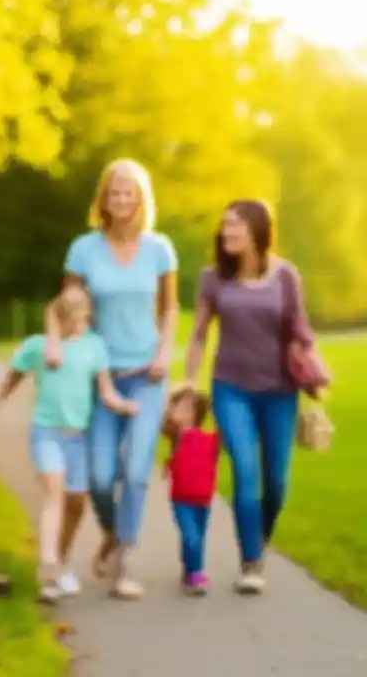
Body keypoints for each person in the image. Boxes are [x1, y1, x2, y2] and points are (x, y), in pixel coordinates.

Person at [45, 158, 178, 600]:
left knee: (136, 470)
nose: (121, 200)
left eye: (129, 193)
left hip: (147, 375)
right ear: (103, 198)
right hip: (101, 377)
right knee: (101, 478)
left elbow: (170, 308)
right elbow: (65, 309)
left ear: (141, 199)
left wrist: (164, 352)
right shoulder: (83, 250)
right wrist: (59, 350)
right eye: (113, 193)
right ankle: (114, 533)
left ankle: (125, 562)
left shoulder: (160, 248)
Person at [184, 199, 315, 595]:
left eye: (235, 226)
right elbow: (200, 333)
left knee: (276, 482)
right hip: (231, 388)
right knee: (245, 469)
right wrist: (190, 382)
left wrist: (311, 371)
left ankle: (259, 537)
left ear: (257, 229)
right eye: (224, 226)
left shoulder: (286, 275)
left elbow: (299, 330)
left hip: (279, 391)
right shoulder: (212, 278)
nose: (227, 233)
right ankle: (251, 561)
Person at [0, 284, 139, 604]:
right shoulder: (39, 346)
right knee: (54, 493)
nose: (82, 319)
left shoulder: (94, 347)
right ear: (63, 315)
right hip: (46, 432)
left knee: (77, 502)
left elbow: (105, 391)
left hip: (78, 438)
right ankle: (47, 567)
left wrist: (125, 405)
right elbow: (14, 374)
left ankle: (59, 560)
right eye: (75, 313)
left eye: (85, 312)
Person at [161, 386, 219, 596]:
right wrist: (170, 405)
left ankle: (189, 570)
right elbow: (163, 416)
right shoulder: (175, 436)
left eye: (185, 407)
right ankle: (197, 574)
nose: (179, 410)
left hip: (203, 499)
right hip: (181, 499)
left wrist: (215, 408)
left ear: (196, 413)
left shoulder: (210, 439)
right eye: (178, 406)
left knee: (198, 538)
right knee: (191, 536)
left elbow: (225, 431)